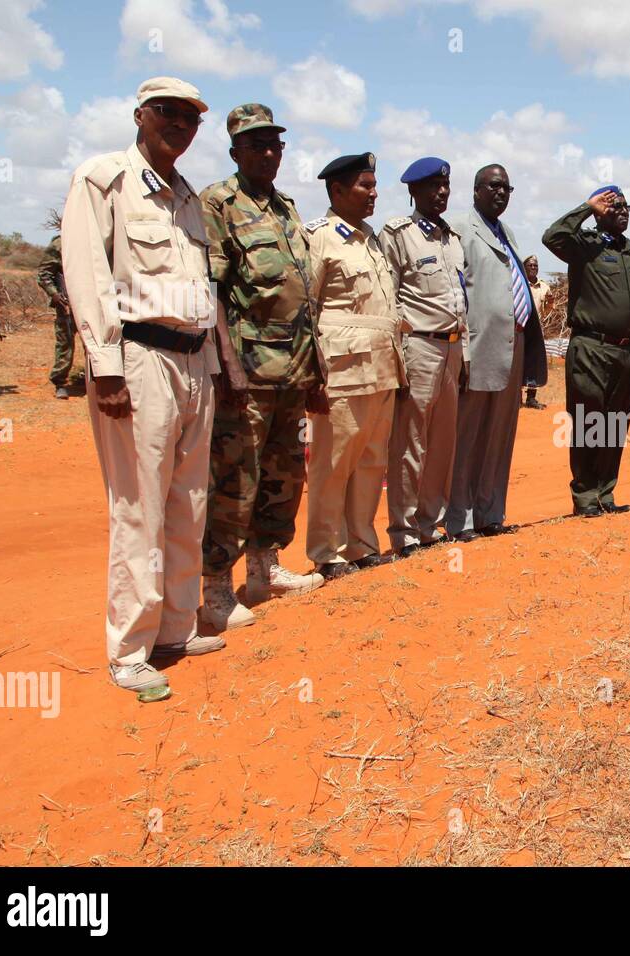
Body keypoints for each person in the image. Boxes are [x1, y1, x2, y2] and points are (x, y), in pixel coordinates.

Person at [61, 77, 237, 696]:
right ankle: (130, 650)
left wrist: (217, 365)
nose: (180, 125)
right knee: (138, 507)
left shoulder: (188, 196)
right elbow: (85, 270)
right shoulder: (103, 179)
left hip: (194, 362)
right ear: (140, 114)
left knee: (188, 502)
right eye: (168, 112)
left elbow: (201, 289)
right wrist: (104, 362)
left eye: (191, 118)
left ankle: (175, 628)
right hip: (137, 359)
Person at [198, 104, 325, 628]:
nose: (269, 153)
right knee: (235, 481)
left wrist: (315, 370)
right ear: (235, 153)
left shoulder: (287, 207)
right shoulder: (218, 204)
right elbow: (211, 291)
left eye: (275, 144)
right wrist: (226, 363)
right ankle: (215, 588)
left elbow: (303, 297)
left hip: (294, 373)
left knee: (285, 475)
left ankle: (264, 569)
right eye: (257, 145)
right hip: (247, 374)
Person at [305, 152, 407, 578]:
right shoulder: (318, 237)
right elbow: (306, 308)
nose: (374, 193)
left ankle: (361, 544)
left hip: (382, 365)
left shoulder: (373, 239)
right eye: (365, 186)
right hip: (342, 369)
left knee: (370, 461)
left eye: (374, 185)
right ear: (337, 191)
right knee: (333, 464)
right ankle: (326, 552)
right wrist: (310, 371)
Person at [446, 164, 545, 541]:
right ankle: (461, 519)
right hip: (479, 344)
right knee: (469, 435)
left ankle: (491, 514)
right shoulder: (460, 228)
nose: (501, 193)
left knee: (500, 435)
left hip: (514, 342)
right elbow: (455, 289)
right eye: (494, 186)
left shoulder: (509, 233)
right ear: (476, 190)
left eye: (507, 187)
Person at [380, 157, 467, 557]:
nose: (442, 192)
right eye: (433, 186)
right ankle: (405, 532)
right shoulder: (399, 234)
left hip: (452, 348)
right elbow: (389, 298)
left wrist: (462, 353)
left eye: (445, 185)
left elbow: (459, 301)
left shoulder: (453, 239)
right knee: (410, 443)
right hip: (419, 347)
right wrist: (398, 355)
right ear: (414, 191)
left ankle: (431, 524)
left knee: (443, 443)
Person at [542, 186, 630, 516]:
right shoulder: (584, 245)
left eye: (628, 207)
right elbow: (552, 237)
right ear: (600, 212)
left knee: (616, 425)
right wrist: (587, 207)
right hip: (591, 348)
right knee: (589, 423)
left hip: (626, 352)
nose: (624, 212)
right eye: (615, 207)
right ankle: (585, 496)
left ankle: (606, 495)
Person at [36, 219, 78, 399]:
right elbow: (44, 274)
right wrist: (54, 294)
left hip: (91, 303)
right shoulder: (60, 244)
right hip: (66, 304)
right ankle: (60, 381)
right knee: (65, 343)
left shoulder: (96, 241)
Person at [522, 254, 550, 409]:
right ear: (524, 267)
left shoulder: (544, 287)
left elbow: (547, 310)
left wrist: (550, 304)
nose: (533, 268)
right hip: (520, 329)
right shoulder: (519, 283)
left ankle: (531, 398)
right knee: (518, 362)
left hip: (537, 330)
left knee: (534, 363)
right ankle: (516, 398)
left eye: (535, 265)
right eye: (530, 265)